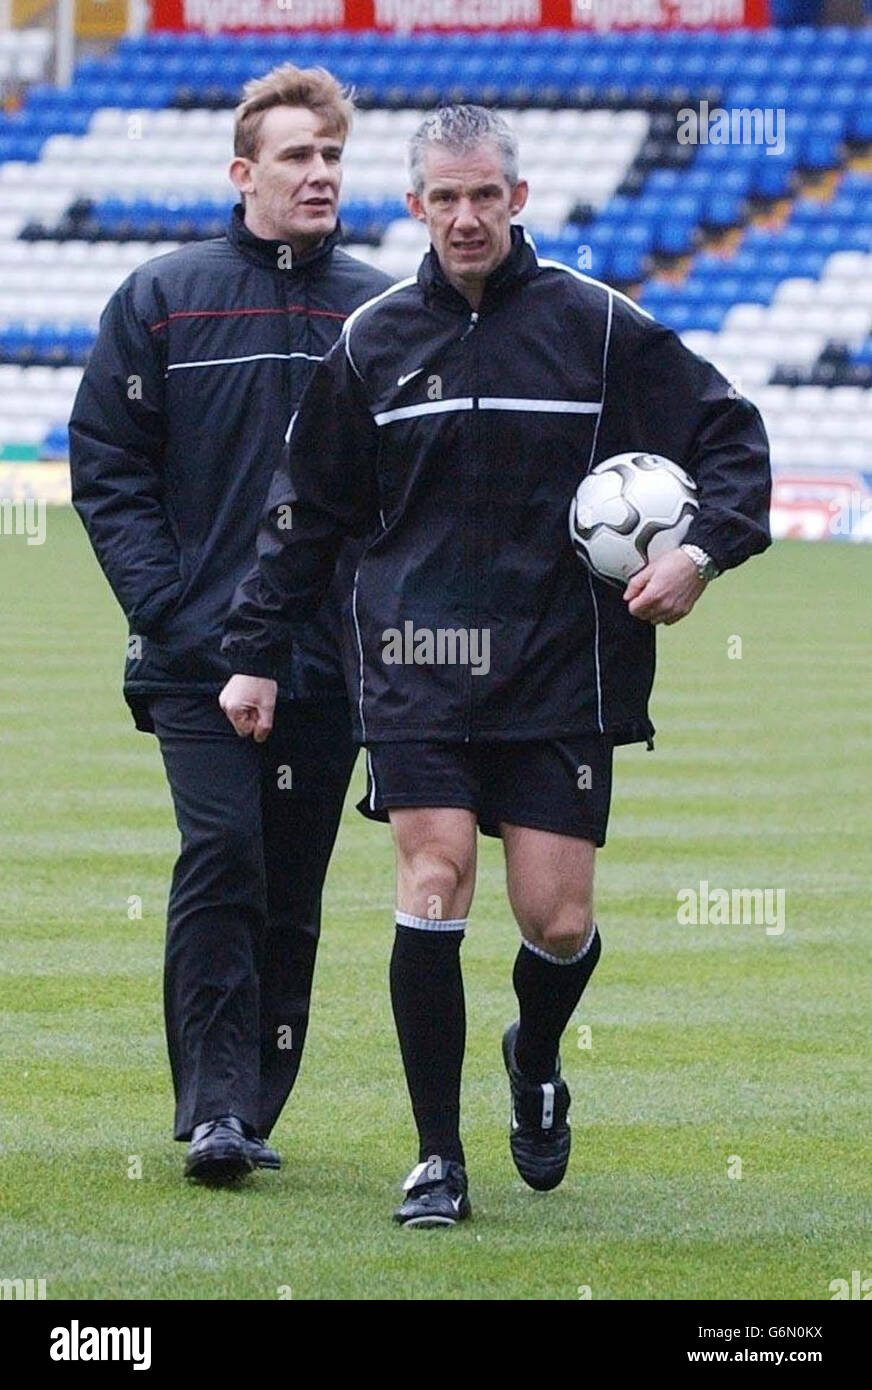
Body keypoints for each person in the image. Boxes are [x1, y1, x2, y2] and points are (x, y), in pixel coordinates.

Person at [218, 105, 771, 1224]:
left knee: (555, 922)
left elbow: (731, 439)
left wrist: (700, 554)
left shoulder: (598, 328)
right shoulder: (370, 340)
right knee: (430, 886)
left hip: (563, 665)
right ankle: (435, 1157)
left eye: (484, 196)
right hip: (415, 659)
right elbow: (306, 513)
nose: (464, 217)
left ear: (517, 201)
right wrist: (254, 656)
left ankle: (533, 1055)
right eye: (442, 198)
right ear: (414, 206)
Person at [69, 65, 392, 1184]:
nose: (320, 175)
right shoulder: (163, 297)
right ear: (242, 172)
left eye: (333, 158)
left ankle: (253, 1103)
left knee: (291, 890)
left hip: (326, 665)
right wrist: (171, 611)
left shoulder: (380, 310)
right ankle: (209, 1110)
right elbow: (108, 468)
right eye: (298, 156)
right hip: (195, 661)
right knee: (221, 854)